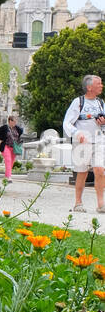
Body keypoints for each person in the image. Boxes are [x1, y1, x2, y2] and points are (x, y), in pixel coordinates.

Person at [63, 73, 105, 214]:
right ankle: (78, 202)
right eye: (98, 83)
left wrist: (103, 123)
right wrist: (77, 133)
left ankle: (101, 204)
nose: (101, 85)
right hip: (82, 142)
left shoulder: (101, 103)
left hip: (99, 140)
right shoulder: (78, 102)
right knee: (82, 173)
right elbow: (67, 122)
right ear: (89, 87)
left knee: (100, 170)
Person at [0, 114, 24, 182]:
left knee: (11, 162)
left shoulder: (16, 128)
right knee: (8, 160)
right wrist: (2, 138)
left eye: (16, 121)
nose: (15, 123)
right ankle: (9, 177)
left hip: (14, 148)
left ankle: (6, 175)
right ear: (9, 121)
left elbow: (21, 131)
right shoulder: (5, 127)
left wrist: (15, 125)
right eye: (14, 121)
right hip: (6, 146)